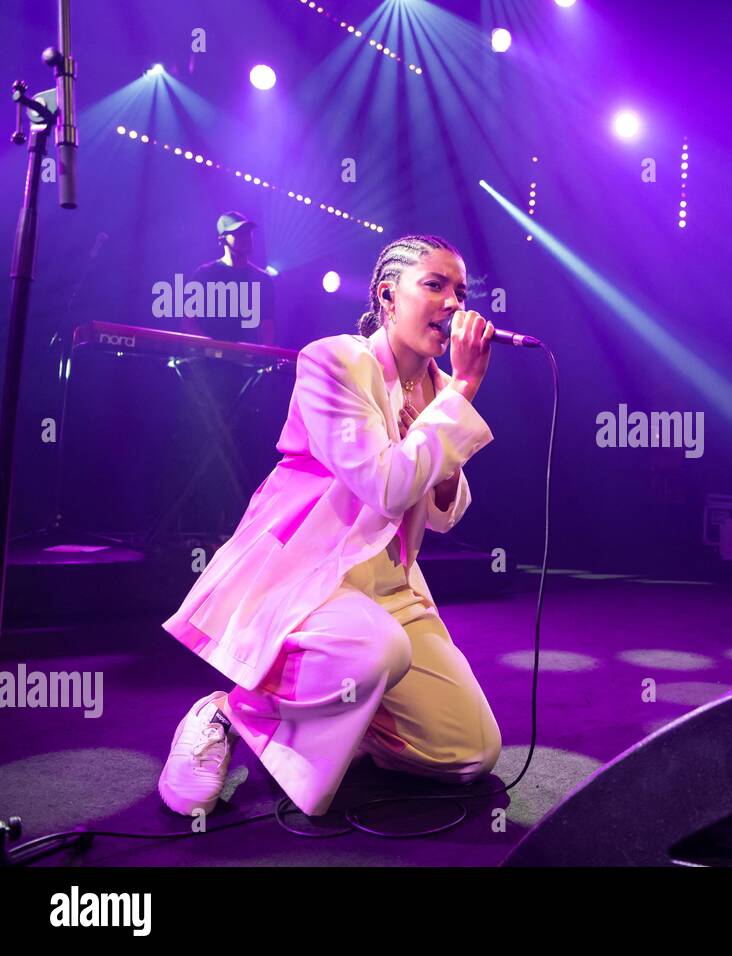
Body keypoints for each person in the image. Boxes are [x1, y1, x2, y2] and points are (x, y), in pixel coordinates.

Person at [157, 234, 500, 819]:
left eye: (460, 292)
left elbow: (444, 512)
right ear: (389, 297)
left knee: (471, 752)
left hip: (392, 586)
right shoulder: (335, 361)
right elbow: (387, 485)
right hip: (316, 576)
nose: (453, 304)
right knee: (375, 650)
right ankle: (227, 712)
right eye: (435, 285)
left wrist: (446, 421)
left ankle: (352, 722)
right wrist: (464, 392)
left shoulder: (438, 388)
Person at [180, 211, 277, 347]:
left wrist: (263, 357)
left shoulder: (263, 280)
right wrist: (211, 347)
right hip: (208, 361)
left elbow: (267, 327)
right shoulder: (205, 274)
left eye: (248, 232)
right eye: (239, 233)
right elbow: (188, 322)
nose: (246, 237)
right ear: (222, 239)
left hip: (248, 364)